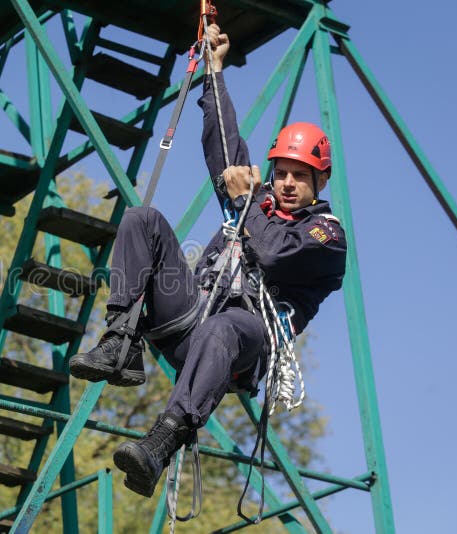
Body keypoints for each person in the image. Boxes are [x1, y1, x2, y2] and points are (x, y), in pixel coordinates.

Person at [69, 23, 347, 498]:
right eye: (280, 172)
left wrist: (242, 205)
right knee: (143, 219)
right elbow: (224, 142)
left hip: (241, 343)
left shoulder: (326, 235)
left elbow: (277, 257)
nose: (286, 183)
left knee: (227, 326)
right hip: (191, 314)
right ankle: (121, 342)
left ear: (318, 182)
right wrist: (213, 69)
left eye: (300, 176)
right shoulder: (255, 199)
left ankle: (162, 440)